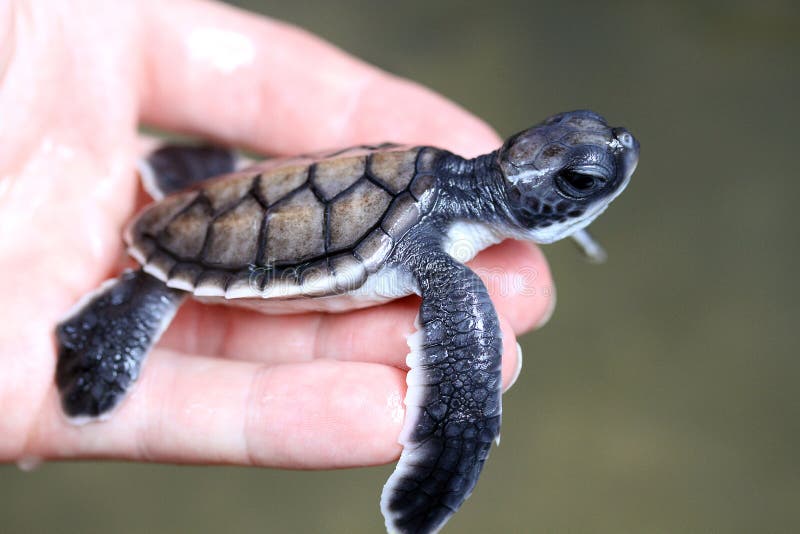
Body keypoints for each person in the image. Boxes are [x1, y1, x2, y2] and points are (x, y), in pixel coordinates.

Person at [0, 0, 553, 468]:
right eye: (580, 184)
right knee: (471, 349)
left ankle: (196, 188)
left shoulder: (437, 165)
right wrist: (451, 449)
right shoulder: (445, 260)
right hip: (226, 241)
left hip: (243, 195)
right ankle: (138, 295)